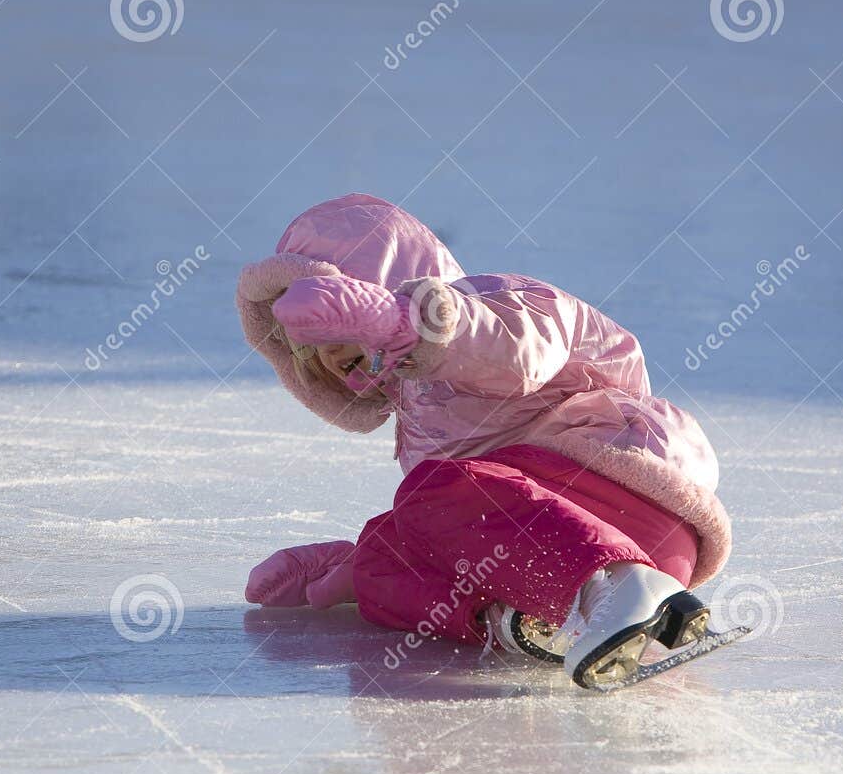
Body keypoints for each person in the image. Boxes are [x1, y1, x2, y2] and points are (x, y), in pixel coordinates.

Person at [236, 193, 733, 688]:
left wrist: (404, 324)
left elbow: (519, 352)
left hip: (621, 496)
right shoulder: (418, 419)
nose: (327, 354)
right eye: (309, 344)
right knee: (390, 556)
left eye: (339, 318)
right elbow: (474, 525)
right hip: (557, 560)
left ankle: (622, 582)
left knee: (431, 491)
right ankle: (515, 622)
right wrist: (361, 561)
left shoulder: (486, 302)